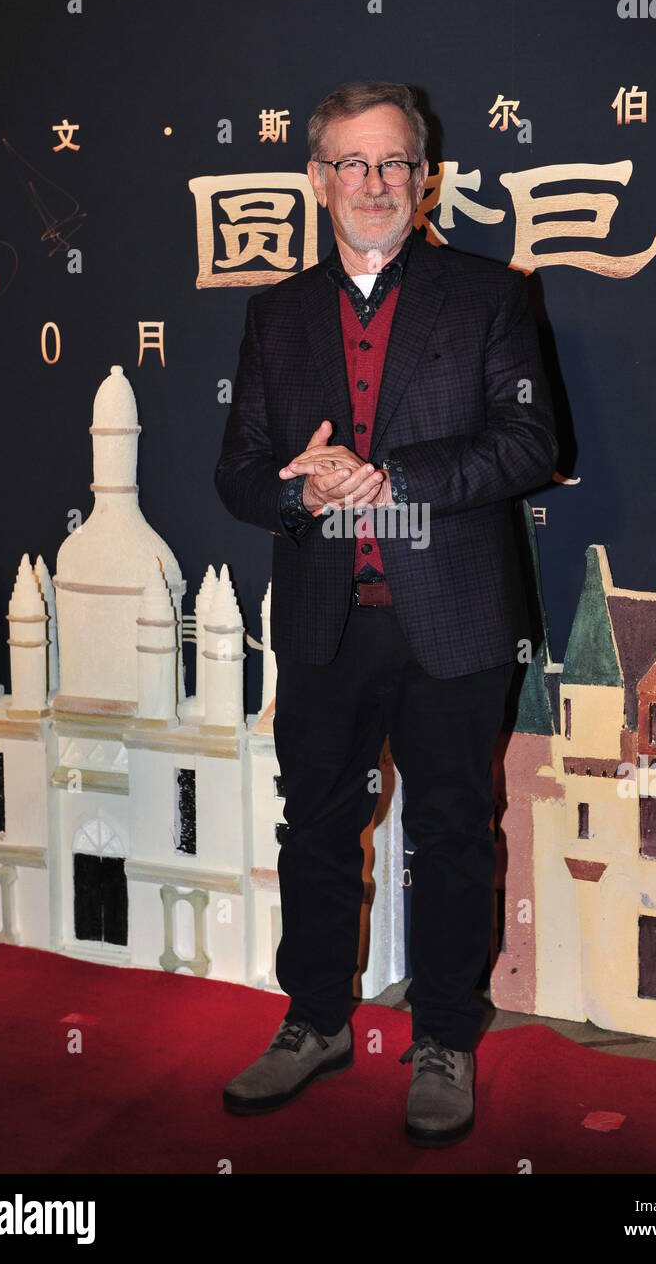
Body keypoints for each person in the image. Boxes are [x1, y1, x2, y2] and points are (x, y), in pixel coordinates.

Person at [214, 81, 558, 1146]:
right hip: (325, 622)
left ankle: (446, 1033)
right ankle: (314, 1018)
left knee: (456, 833)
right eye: (351, 165)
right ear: (316, 180)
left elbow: (531, 448)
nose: (373, 184)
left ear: (424, 180)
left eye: (394, 164)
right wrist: (297, 490)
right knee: (314, 828)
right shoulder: (273, 316)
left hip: (453, 621)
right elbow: (237, 474)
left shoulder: (488, 296)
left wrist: (388, 477)